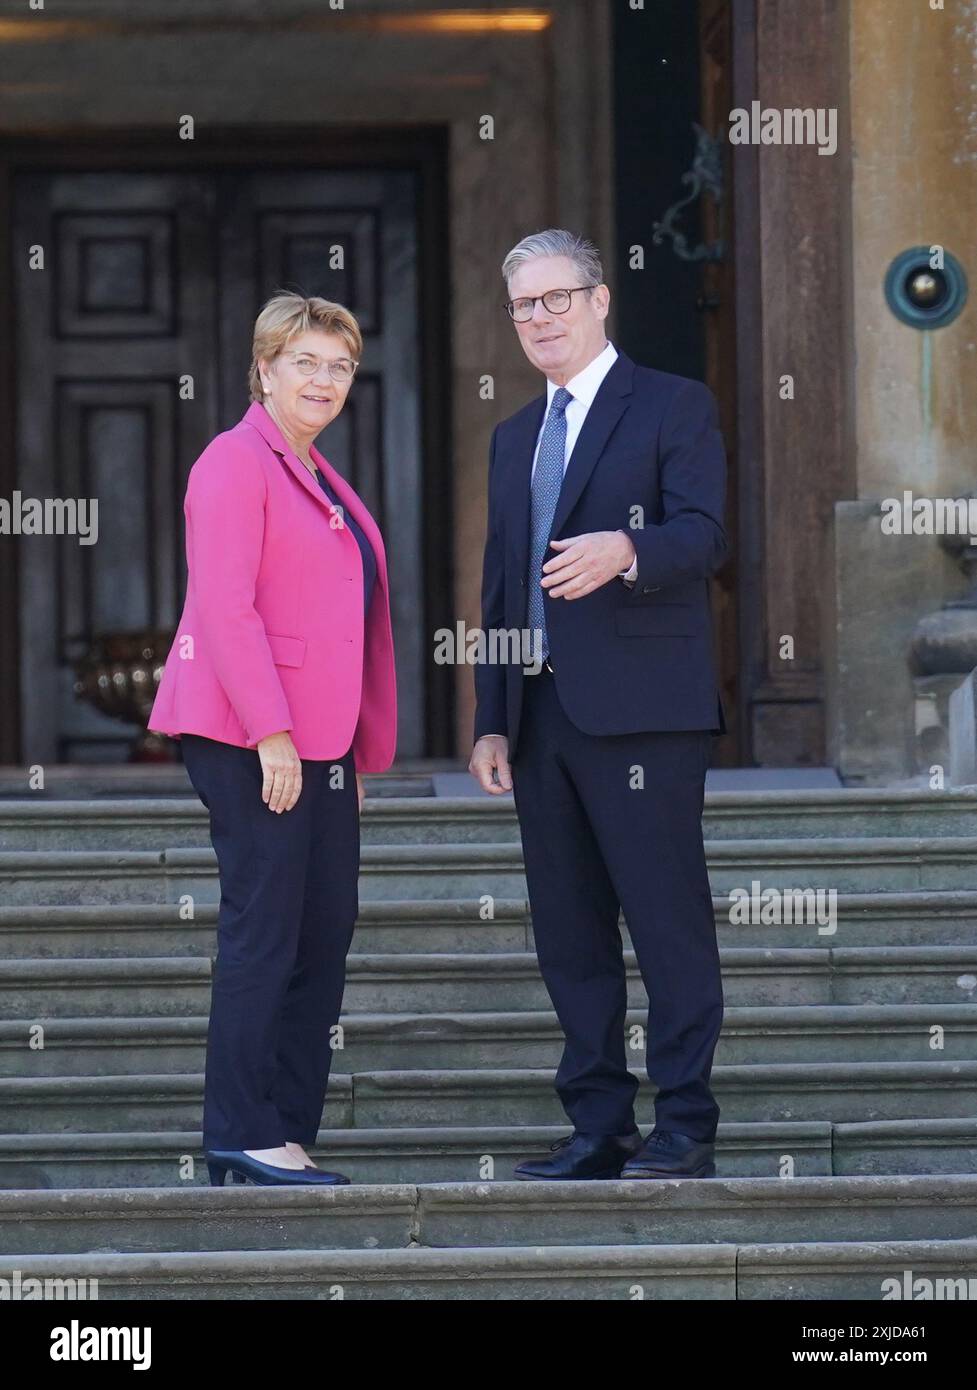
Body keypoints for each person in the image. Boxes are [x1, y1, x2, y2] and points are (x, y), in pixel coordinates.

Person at [469, 229, 728, 1181]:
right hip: (539, 719)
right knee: (569, 933)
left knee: (665, 923)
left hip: (646, 715)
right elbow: (501, 586)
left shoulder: (671, 404)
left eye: (555, 299)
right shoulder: (512, 437)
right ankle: (598, 1125)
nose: (539, 319)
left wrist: (628, 550)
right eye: (522, 306)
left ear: (599, 299)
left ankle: (685, 1125)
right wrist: (490, 716)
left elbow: (704, 535)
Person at [149, 291, 397, 1187]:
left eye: (339, 366)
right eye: (306, 362)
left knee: (323, 931)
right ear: (263, 369)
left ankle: (284, 1131)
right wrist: (276, 735)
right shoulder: (233, 461)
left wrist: (351, 753)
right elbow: (225, 607)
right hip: (250, 735)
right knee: (267, 931)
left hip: (317, 747)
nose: (324, 379)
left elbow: (344, 624)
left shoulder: (318, 472)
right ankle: (240, 1129)